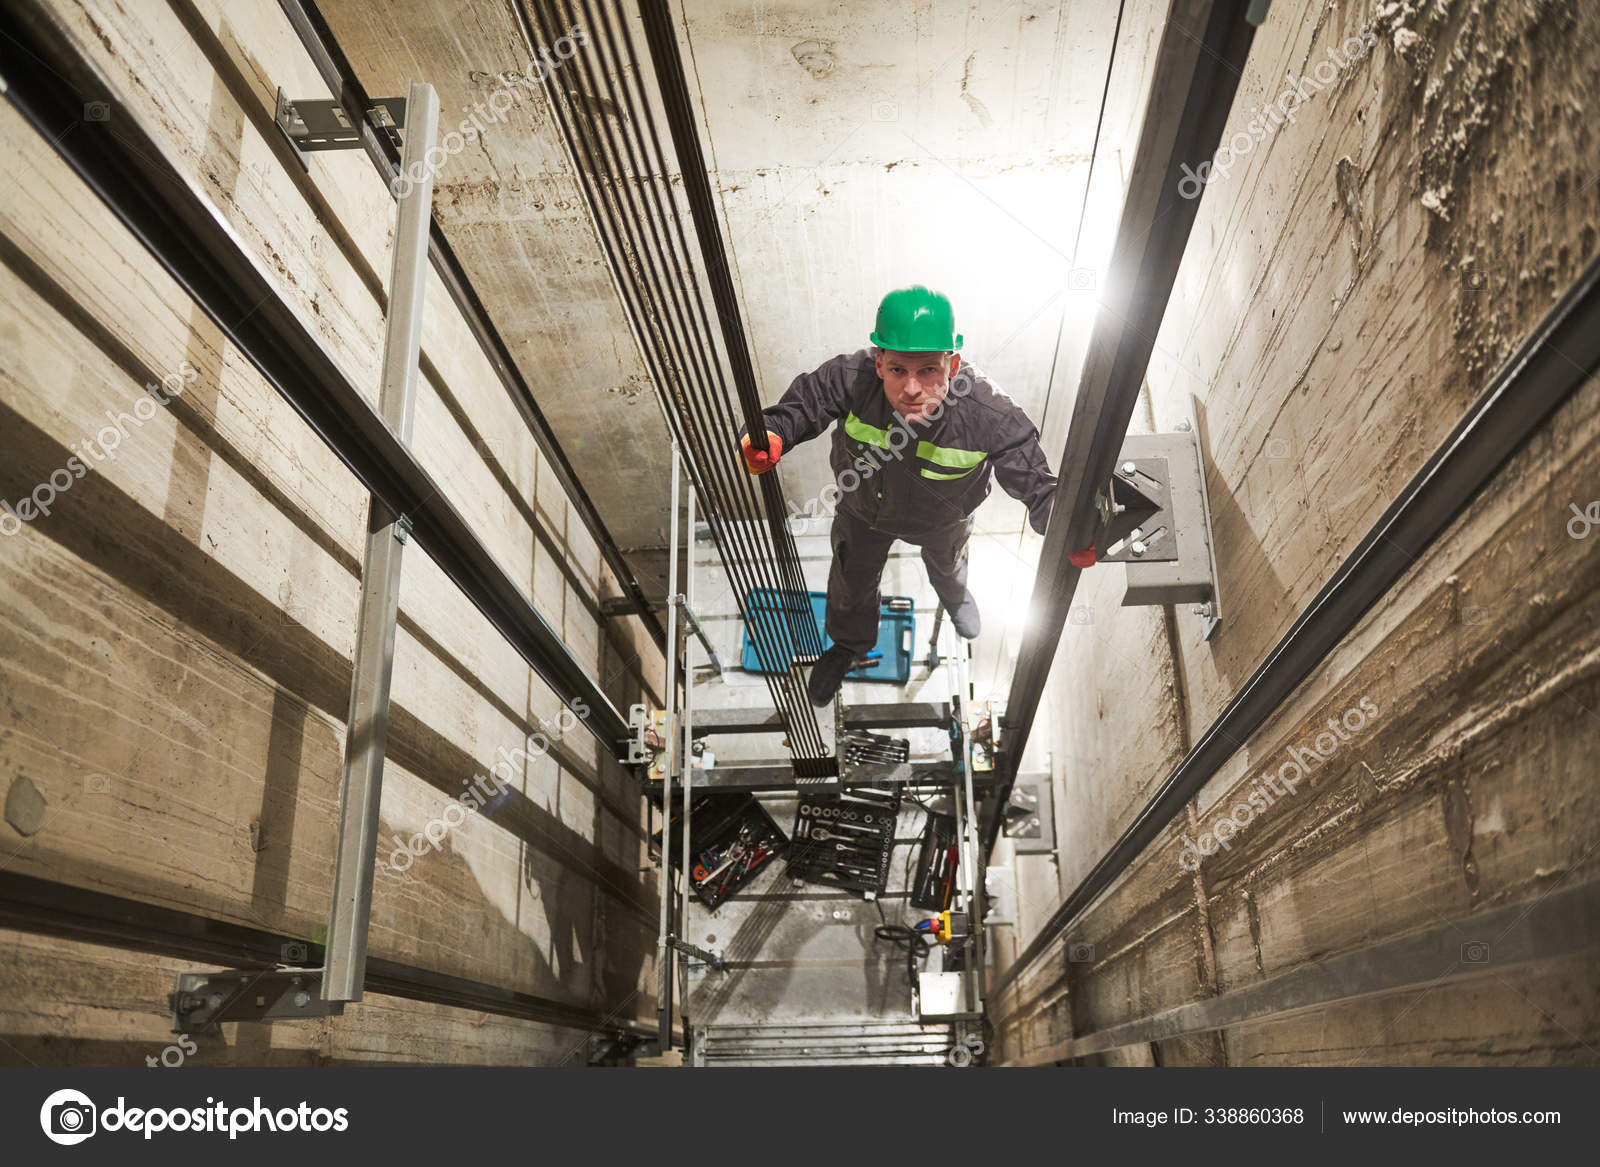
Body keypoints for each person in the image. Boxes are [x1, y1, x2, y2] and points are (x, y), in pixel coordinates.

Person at [740, 286, 1057, 706]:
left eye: (928, 370)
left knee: (950, 564)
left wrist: (1067, 527)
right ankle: (849, 645)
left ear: (953, 363)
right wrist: (771, 434)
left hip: (943, 521)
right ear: (878, 363)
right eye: (896, 370)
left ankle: (954, 595)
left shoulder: (990, 415)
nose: (911, 388)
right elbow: (805, 403)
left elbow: (1039, 485)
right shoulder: (852, 379)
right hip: (862, 512)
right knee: (851, 581)